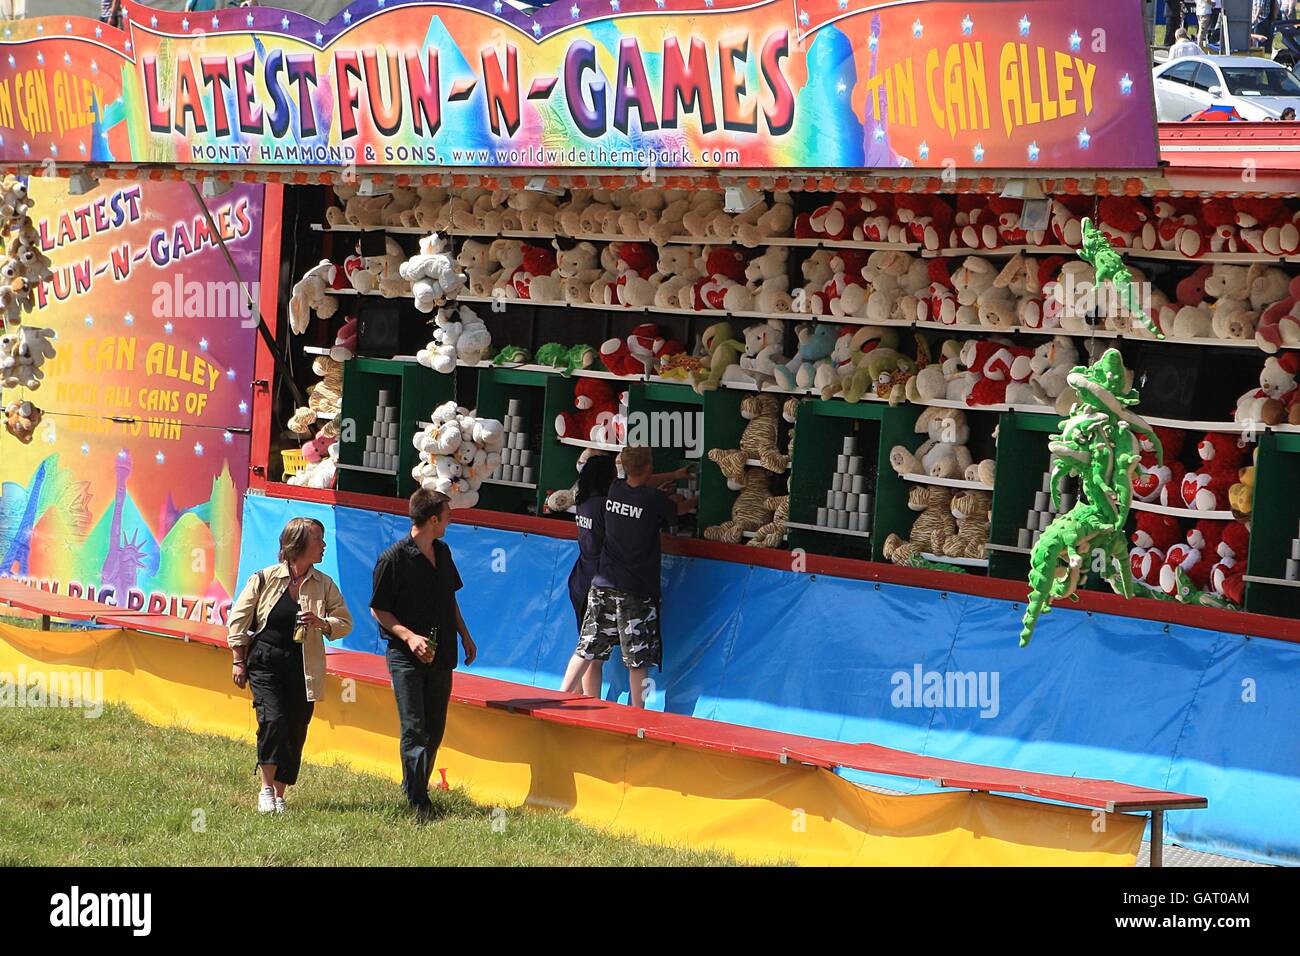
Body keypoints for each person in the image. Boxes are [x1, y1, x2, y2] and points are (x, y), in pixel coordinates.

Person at [227, 517, 353, 813]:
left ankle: (280, 795)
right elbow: (238, 621)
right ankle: (265, 790)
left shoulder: (324, 584)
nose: (323, 546)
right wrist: (237, 661)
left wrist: (323, 623)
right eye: (318, 540)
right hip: (265, 660)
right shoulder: (265, 578)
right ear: (298, 544)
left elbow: (345, 622)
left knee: (296, 726)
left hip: (303, 664)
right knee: (273, 720)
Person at [370, 489, 477, 819]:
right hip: (406, 657)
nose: (450, 521)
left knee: (435, 727)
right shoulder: (393, 559)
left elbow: (449, 598)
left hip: (441, 652)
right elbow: (379, 609)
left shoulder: (442, 553)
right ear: (433, 520)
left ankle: (415, 785)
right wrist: (409, 636)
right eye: (447, 516)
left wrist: (464, 633)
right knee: (414, 728)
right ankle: (419, 802)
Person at [559, 454, 693, 698]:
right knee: (628, 659)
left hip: (588, 581)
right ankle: (611, 708)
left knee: (587, 649)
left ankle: (568, 699)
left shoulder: (597, 499)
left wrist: (671, 478)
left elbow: (635, 488)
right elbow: (647, 499)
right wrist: (686, 498)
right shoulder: (615, 500)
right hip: (621, 585)